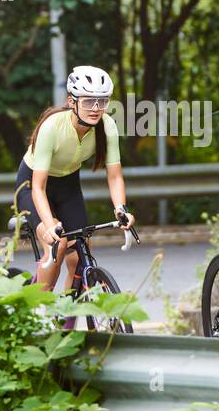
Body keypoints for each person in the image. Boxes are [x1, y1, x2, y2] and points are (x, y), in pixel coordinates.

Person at [14, 65, 135, 293]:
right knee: (57, 245)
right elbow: (38, 188)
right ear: (72, 101)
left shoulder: (107, 126)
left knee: (81, 250)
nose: (96, 108)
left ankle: (66, 319)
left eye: (103, 101)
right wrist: (50, 225)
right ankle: (40, 311)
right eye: (89, 101)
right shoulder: (52, 127)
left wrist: (121, 209)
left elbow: (115, 175)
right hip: (33, 186)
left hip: (67, 185)